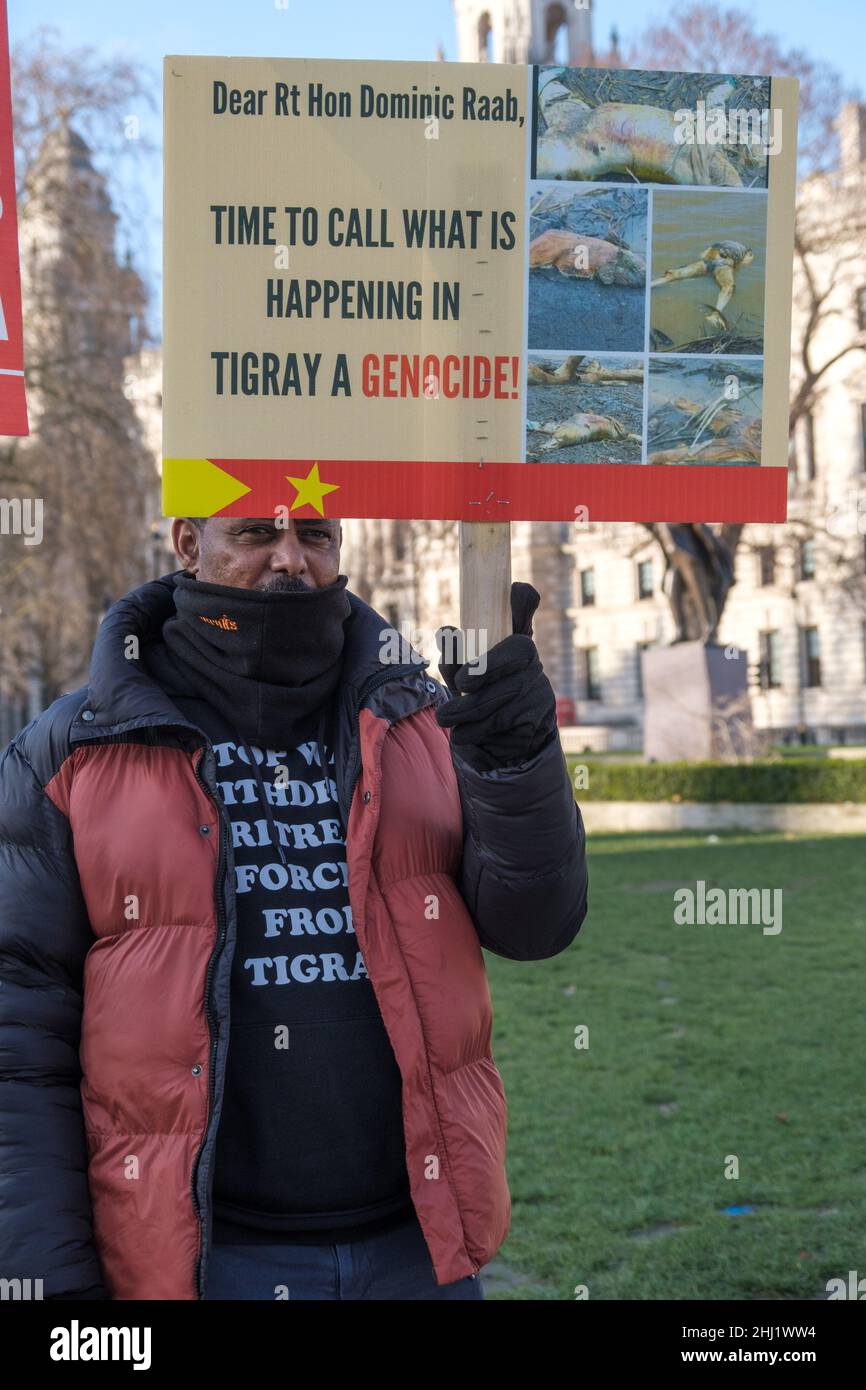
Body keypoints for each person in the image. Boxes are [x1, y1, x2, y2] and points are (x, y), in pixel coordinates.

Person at [0, 514, 588, 1301]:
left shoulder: (420, 718)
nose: (290, 559)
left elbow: (536, 924)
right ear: (188, 543)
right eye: (253, 534)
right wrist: (46, 1278)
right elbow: (16, 1033)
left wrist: (515, 755)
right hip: (207, 1265)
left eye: (315, 533)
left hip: (420, 1250)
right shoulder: (74, 748)